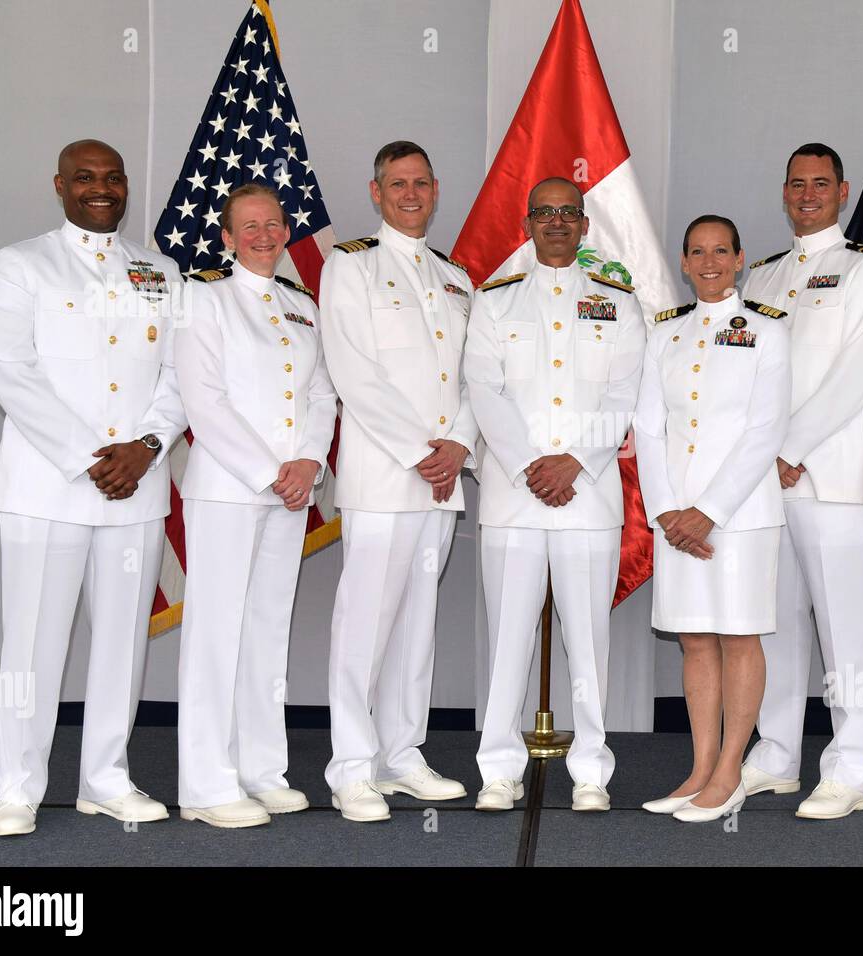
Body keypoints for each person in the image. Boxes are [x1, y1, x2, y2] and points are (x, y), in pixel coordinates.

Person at [0, 139, 187, 836]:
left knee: (122, 642)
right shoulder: (23, 263)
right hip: (48, 487)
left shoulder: (161, 270)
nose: (102, 188)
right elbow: (10, 368)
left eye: (114, 177)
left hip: (137, 487)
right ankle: (18, 788)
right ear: (60, 185)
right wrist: (89, 458)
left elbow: (182, 375)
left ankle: (106, 778)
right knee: (32, 644)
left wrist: (148, 447)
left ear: (127, 186)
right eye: (86, 178)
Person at [464, 177, 646, 812]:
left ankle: (592, 768)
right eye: (546, 213)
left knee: (588, 642)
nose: (558, 223)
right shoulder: (495, 302)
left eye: (570, 213)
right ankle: (498, 767)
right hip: (515, 499)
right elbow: (484, 389)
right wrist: (528, 465)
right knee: (507, 638)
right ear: (528, 223)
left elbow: (623, 394)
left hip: (587, 497)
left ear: (585, 223)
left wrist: (575, 462)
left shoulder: (619, 303)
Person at [317, 141, 476, 822]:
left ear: (436, 190)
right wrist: (421, 450)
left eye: (421, 183)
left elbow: (477, 377)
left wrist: (460, 443)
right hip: (387, 475)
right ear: (376, 192)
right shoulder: (349, 267)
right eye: (397, 183)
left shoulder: (458, 280)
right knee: (365, 623)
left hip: (441, 480)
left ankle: (401, 754)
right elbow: (353, 372)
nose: (411, 194)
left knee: (418, 623)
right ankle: (352, 767)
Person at [173, 184, 337, 828]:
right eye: (249, 226)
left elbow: (322, 390)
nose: (264, 235)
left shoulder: (301, 306)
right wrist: (273, 471)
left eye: (273, 224)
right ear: (226, 235)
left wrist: (310, 462)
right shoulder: (204, 298)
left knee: (268, 629)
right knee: (216, 633)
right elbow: (204, 400)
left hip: (289, 491)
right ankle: (207, 784)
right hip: (230, 489)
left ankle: (260, 769)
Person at [739, 144, 863, 819]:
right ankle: (776, 754)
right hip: (763, 480)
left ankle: (850, 765)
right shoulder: (764, 278)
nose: (807, 194)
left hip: (827, 474)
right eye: (796, 183)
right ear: (784, 191)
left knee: (845, 625)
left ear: (842, 190)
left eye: (820, 184)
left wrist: (792, 446)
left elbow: (858, 373)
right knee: (773, 624)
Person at [633, 215, 791, 822]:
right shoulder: (666, 332)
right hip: (676, 516)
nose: (709, 262)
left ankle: (731, 771)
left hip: (741, 515)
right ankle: (699, 768)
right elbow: (648, 426)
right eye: (697, 251)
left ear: (740, 257)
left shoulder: (768, 330)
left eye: (720, 251)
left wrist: (708, 512)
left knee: (737, 635)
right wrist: (668, 509)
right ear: (682, 260)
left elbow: (764, 429)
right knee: (695, 638)